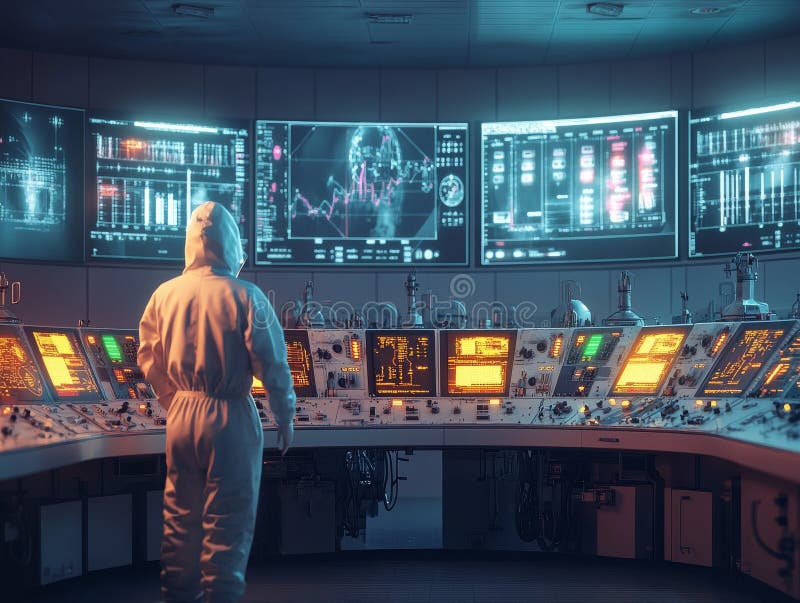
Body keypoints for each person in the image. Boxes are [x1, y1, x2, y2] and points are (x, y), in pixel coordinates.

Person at [138, 201, 296, 603]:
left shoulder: (164, 295)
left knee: (179, 524)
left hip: (181, 418)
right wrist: (285, 416)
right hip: (229, 417)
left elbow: (149, 359)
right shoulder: (247, 296)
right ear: (231, 242)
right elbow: (273, 363)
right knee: (226, 529)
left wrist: (173, 400)